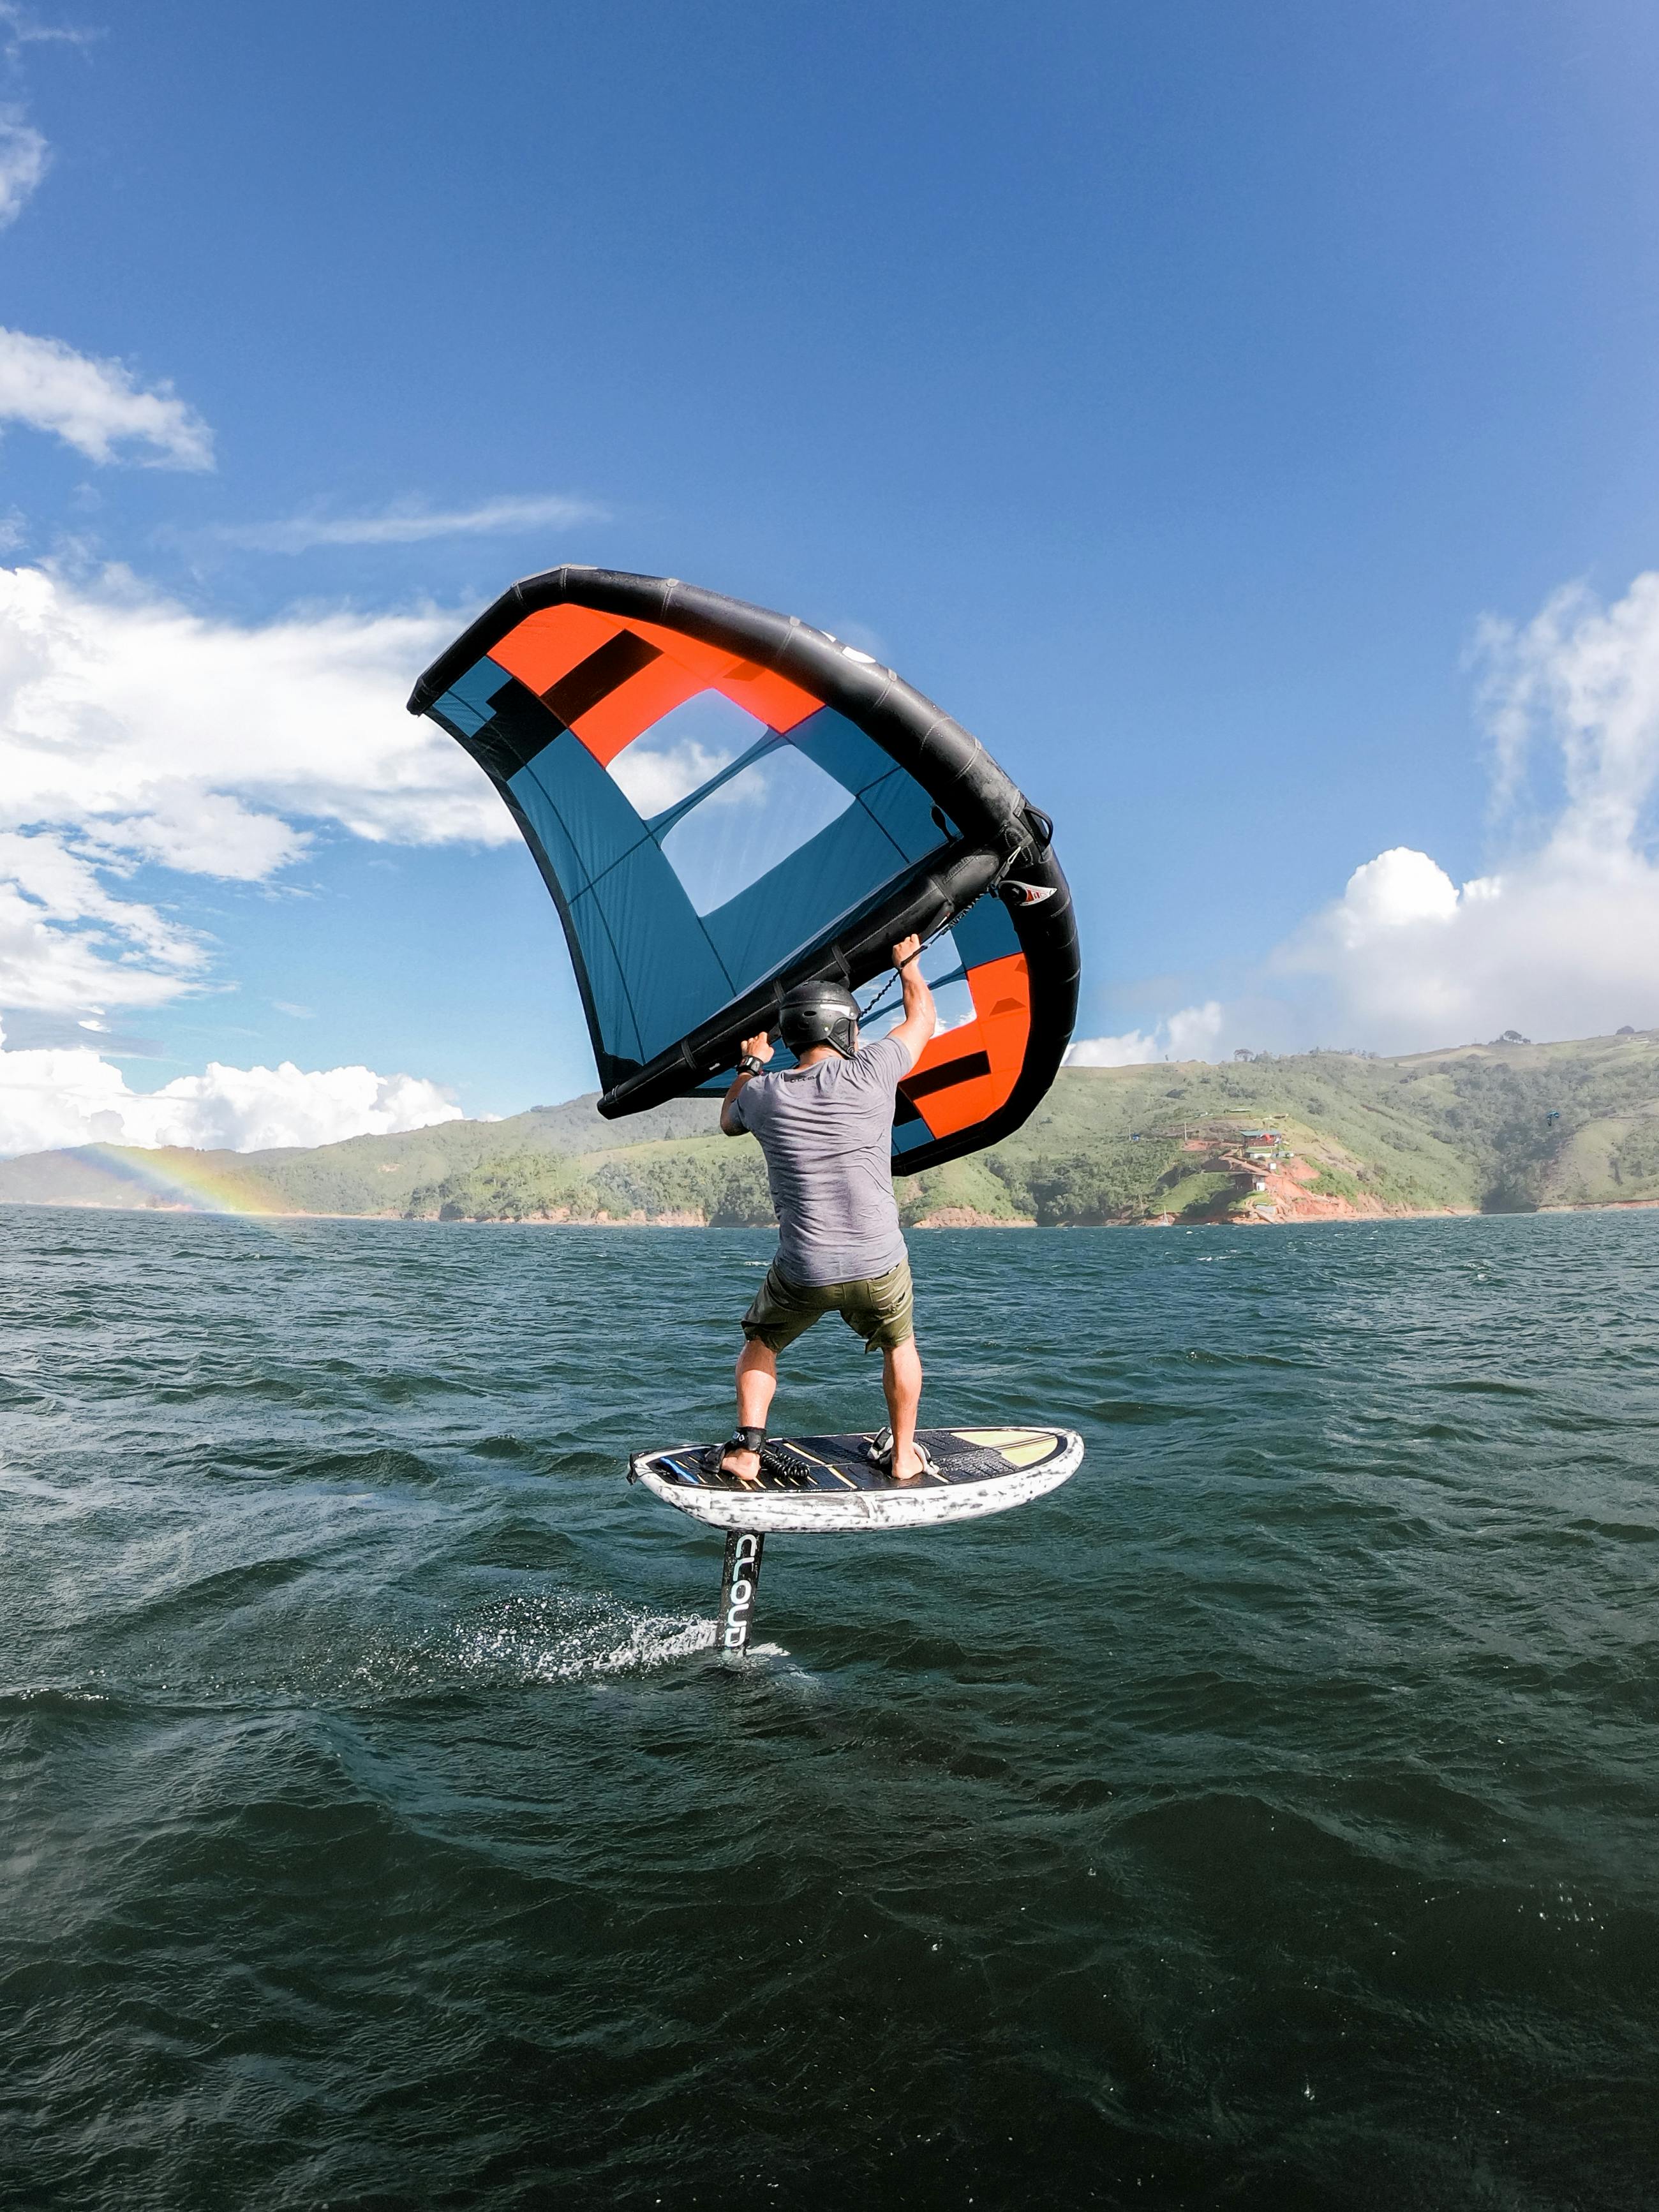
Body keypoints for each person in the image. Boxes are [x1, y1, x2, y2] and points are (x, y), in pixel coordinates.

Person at [711, 935, 937, 1484]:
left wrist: (750, 1061)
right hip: (879, 1261)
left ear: (792, 1036)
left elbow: (726, 1116)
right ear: (844, 1030)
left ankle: (746, 1452)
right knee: (900, 1343)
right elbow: (923, 1017)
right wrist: (908, 967)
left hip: (804, 1267)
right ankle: (905, 1455)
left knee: (760, 1343)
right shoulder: (875, 1069)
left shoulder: (764, 1094)